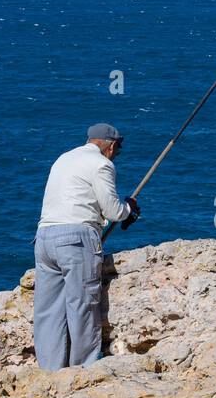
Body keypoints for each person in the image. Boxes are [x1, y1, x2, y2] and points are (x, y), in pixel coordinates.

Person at [33, 123, 139, 369]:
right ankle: (83, 371)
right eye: (118, 150)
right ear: (111, 146)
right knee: (82, 306)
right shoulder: (102, 164)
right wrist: (129, 209)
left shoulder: (63, 159)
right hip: (76, 239)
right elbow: (113, 211)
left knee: (48, 312)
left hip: (44, 238)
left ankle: (49, 372)